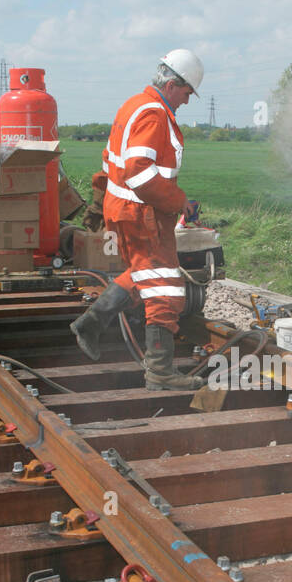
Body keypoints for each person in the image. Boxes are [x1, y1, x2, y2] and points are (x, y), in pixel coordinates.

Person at [70, 50, 205, 390]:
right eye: (187, 93)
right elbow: (138, 173)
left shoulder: (133, 105)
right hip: (142, 216)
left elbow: (109, 160)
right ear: (173, 85)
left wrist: (101, 202)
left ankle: (91, 323)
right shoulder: (155, 115)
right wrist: (178, 201)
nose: (187, 101)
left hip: (124, 212)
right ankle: (160, 372)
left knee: (143, 274)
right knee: (165, 287)